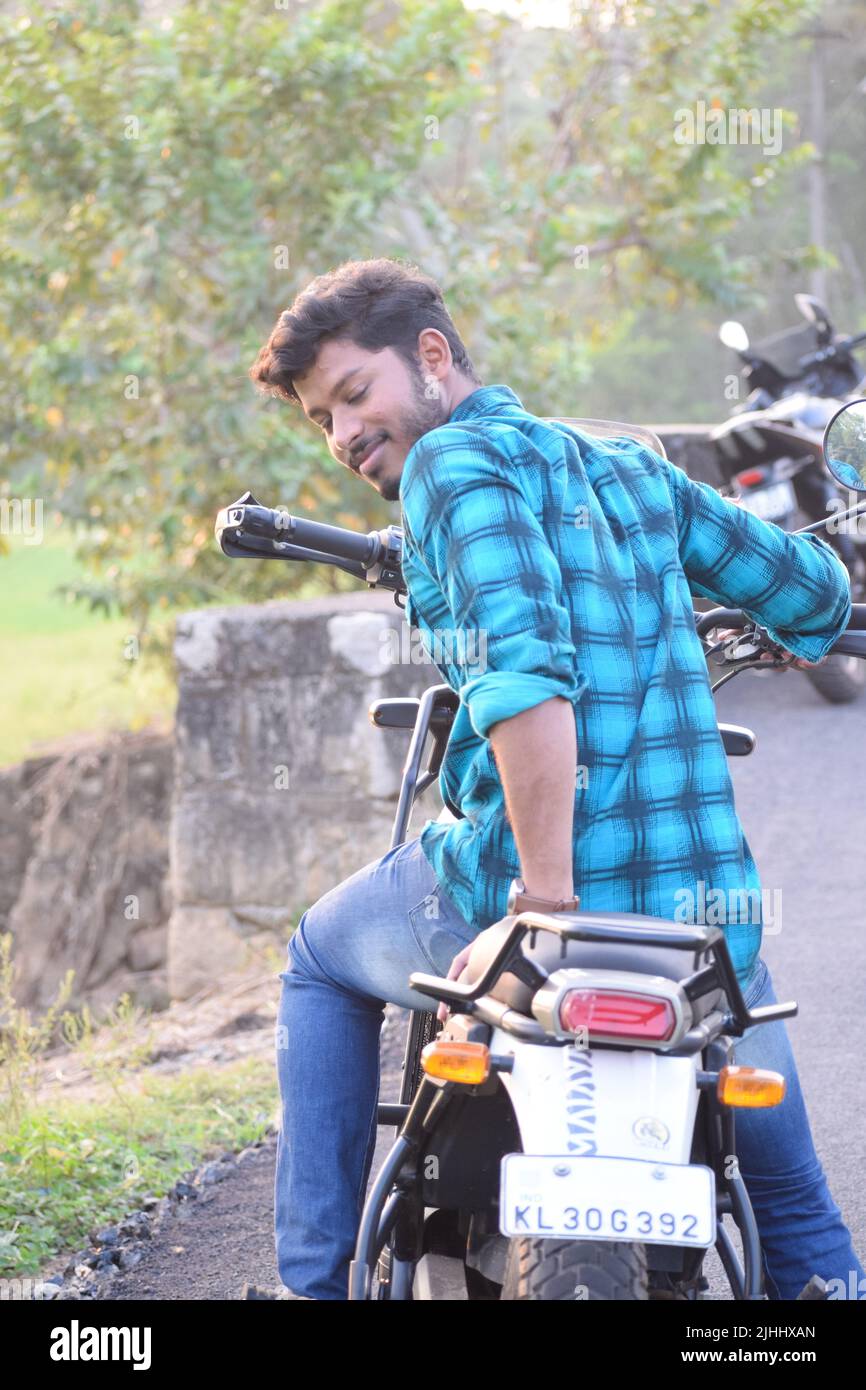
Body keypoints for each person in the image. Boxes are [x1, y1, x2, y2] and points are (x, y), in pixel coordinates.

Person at [248, 256, 864, 1301]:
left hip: (530, 900)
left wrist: (542, 901)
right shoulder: (627, 470)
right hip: (696, 922)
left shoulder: (448, 466)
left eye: (353, 394)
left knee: (317, 957)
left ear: (431, 356)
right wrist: (787, 629)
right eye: (321, 420)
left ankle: (313, 1287)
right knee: (792, 1207)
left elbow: (526, 681)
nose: (342, 434)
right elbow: (811, 589)